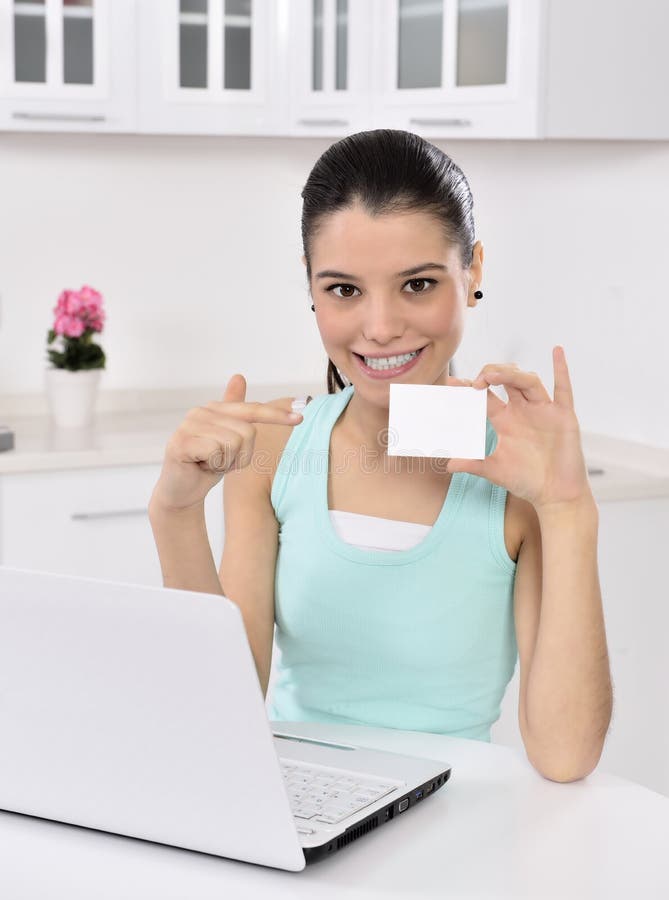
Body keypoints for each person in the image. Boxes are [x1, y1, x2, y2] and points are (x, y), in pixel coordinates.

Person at [149, 129, 612, 782]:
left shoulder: (518, 472)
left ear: (473, 272)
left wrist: (567, 507)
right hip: (297, 805)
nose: (381, 327)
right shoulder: (277, 448)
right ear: (312, 288)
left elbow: (564, 758)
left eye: (417, 284)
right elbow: (219, 711)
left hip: (457, 809)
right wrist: (175, 513)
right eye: (344, 290)